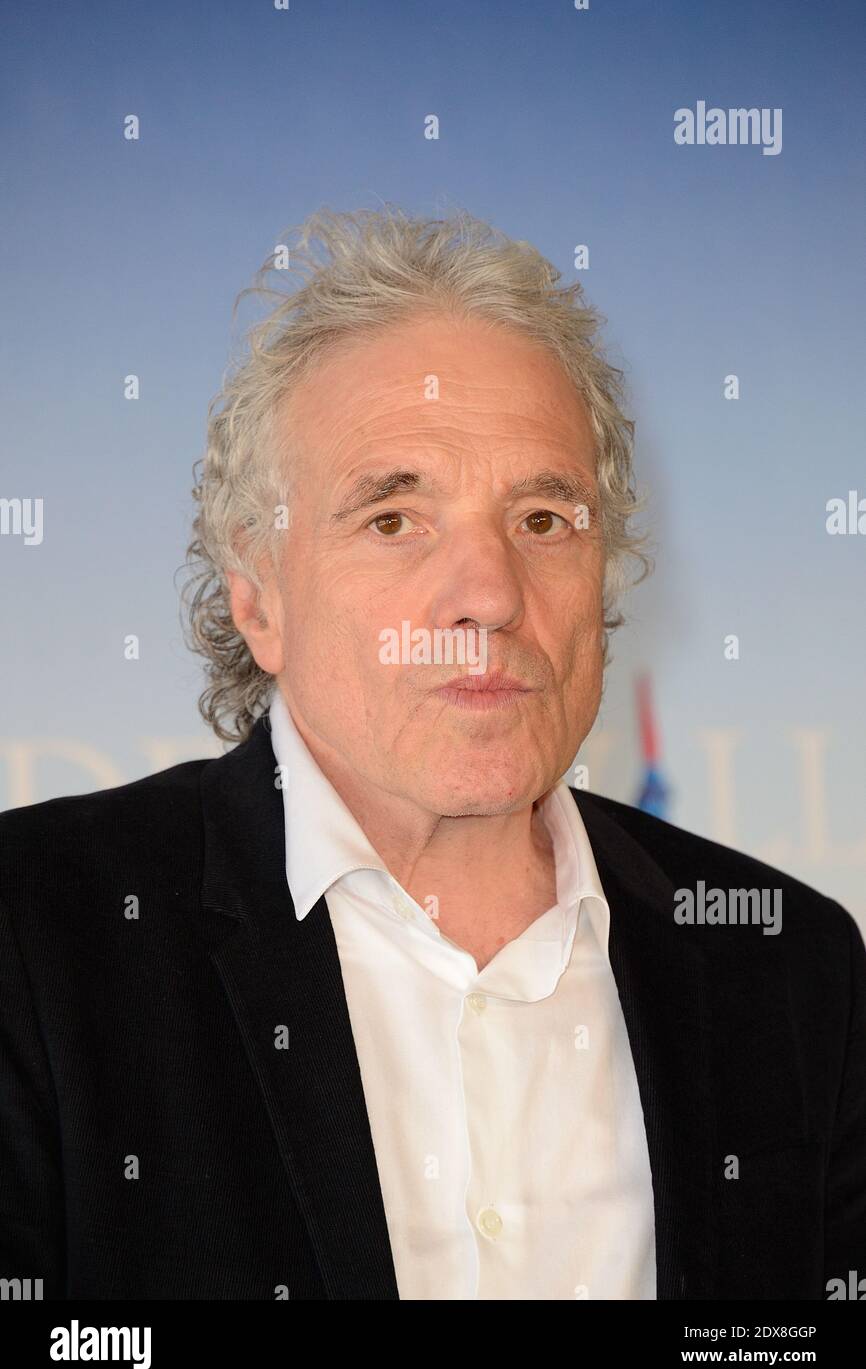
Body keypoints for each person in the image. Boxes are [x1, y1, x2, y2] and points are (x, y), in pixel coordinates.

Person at [1, 207, 863, 1300]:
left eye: (544, 519)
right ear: (256, 595)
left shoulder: (790, 970)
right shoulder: (34, 939)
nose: (491, 595)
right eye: (394, 519)